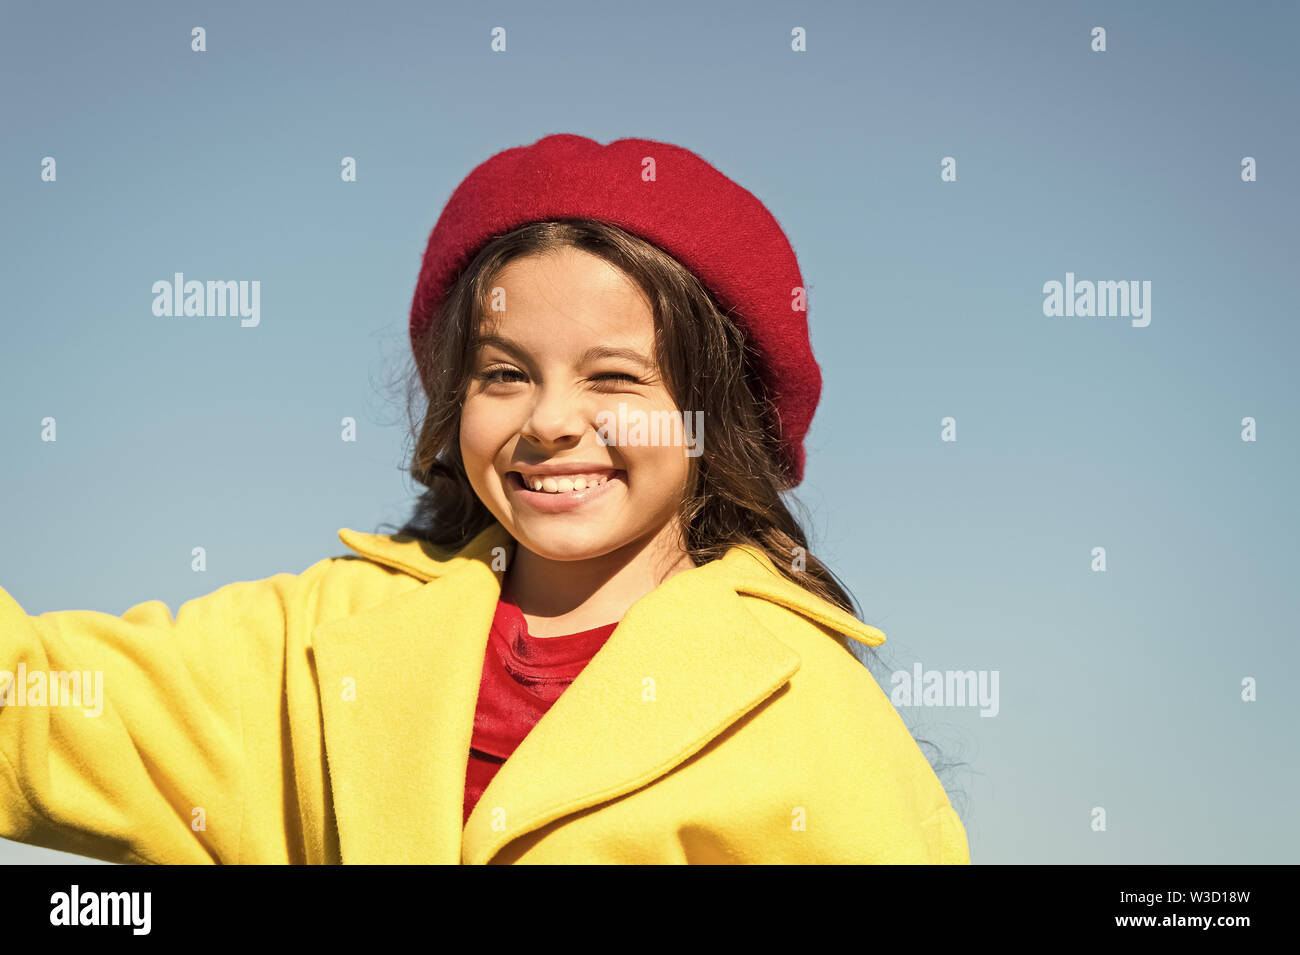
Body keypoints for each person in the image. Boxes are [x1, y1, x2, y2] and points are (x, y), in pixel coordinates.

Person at [0, 134, 970, 864]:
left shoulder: (807, 705)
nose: (549, 419)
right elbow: (32, 706)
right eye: (504, 373)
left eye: (615, 379)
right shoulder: (320, 638)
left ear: (712, 413)